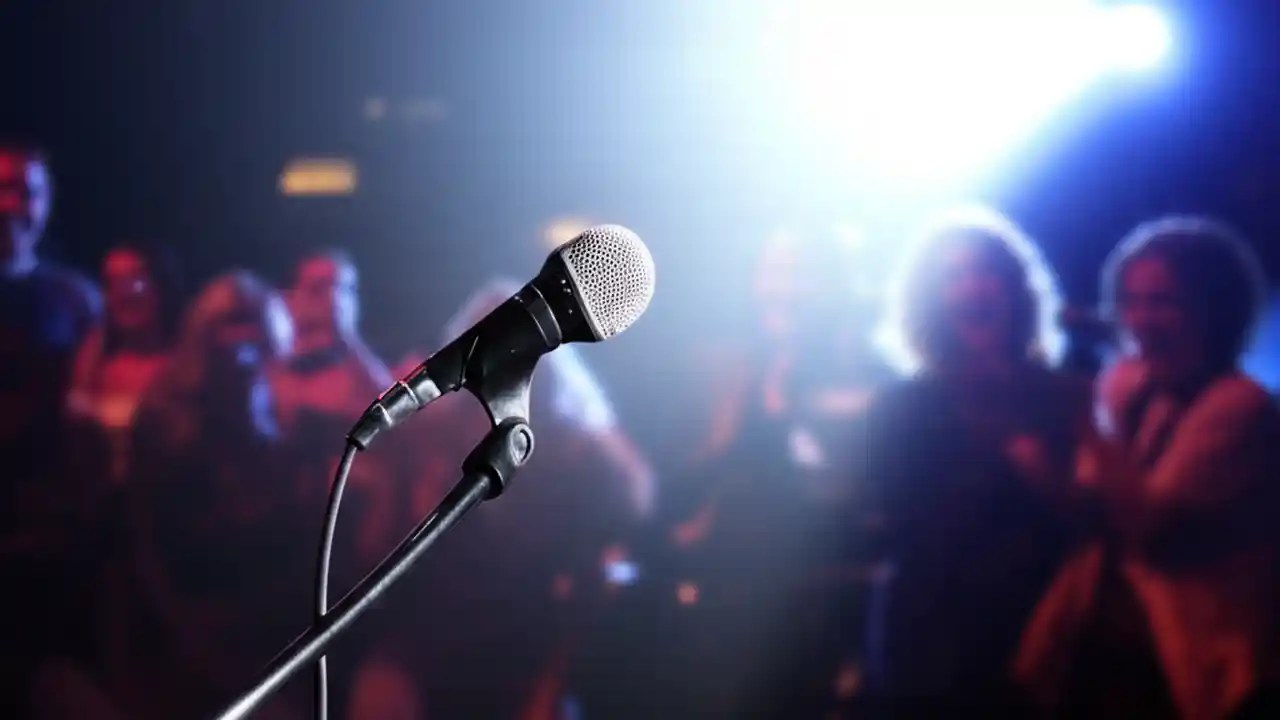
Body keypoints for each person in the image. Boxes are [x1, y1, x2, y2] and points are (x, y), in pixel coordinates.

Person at [581, 225, 893, 718]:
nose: (783, 289)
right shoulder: (720, 371)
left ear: (839, 287)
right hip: (698, 618)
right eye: (773, 272)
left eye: (802, 274)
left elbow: (861, 510)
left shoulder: (872, 388)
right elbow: (662, 484)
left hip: (809, 623)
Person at [1016, 217, 1280, 720]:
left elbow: (1147, 528)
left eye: (1163, 302)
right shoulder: (1128, 386)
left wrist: (1085, 420)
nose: (1140, 320)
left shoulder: (1241, 407)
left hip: (1191, 669)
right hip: (1103, 654)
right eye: (1131, 301)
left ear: (1215, 311)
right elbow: (1086, 508)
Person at [354, 278, 654, 720]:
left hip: (520, 655)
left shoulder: (578, 451)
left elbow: (596, 572)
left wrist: (549, 687)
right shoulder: (435, 432)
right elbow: (375, 555)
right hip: (422, 649)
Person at [855, 207, 1089, 715]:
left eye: (985, 271)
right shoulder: (903, 407)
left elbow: (1092, 519)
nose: (972, 288)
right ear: (930, 298)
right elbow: (895, 519)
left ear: (1015, 290)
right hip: (933, 640)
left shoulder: (1063, 398)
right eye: (953, 276)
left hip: (1042, 626)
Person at [119, 271, 304, 720]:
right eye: (230, 322)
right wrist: (185, 635)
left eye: (251, 322)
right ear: (202, 332)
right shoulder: (166, 417)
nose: (241, 337)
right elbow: (148, 542)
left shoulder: (280, 412)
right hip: (187, 618)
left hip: (263, 619)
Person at [0, 143, 100, 716]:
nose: (12, 204)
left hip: (44, 537)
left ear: (46, 203)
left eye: (27, 191)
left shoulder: (75, 298)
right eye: (3, 188)